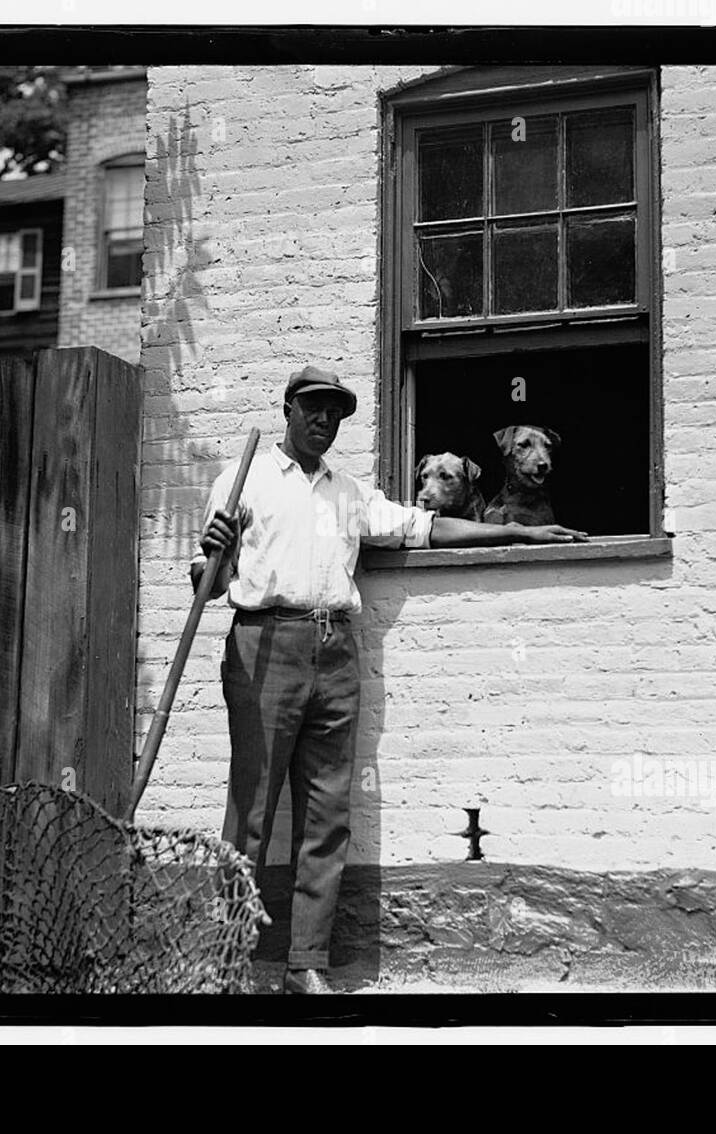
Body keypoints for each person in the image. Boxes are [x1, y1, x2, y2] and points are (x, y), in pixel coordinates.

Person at [191, 365, 588, 994]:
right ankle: (223, 961)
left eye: (336, 413)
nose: (324, 421)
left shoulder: (349, 493)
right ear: (289, 408)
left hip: (335, 649)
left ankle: (306, 964)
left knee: (327, 813)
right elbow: (208, 587)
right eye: (314, 409)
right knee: (251, 810)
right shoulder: (244, 482)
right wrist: (214, 548)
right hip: (264, 642)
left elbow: (423, 527)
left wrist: (514, 530)